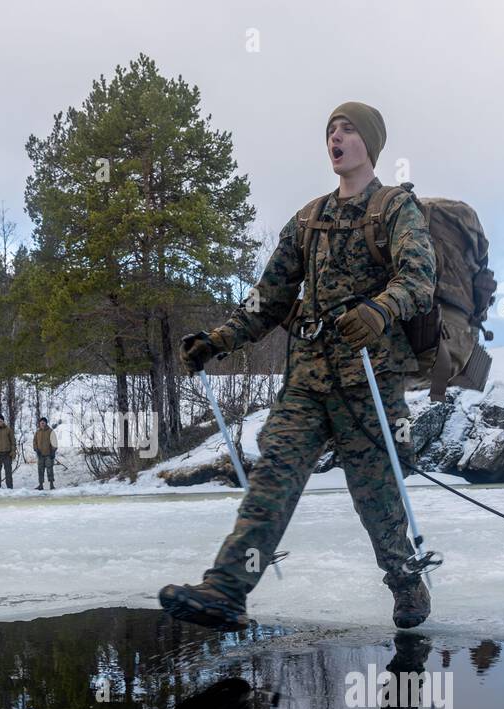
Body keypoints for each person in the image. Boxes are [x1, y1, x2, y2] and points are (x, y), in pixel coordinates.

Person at [159, 101, 436, 632]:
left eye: (348, 129)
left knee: (376, 499)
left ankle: (404, 579)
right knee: (273, 477)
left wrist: (381, 309)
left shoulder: (396, 208)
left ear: (370, 144)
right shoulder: (309, 220)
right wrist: (216, 341)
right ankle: (227, 589)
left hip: (368, 381)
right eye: (330, 130)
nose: (336, 138)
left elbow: (418, 280)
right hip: (307, 381)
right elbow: (268, 299)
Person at [33, 417, 56, 490]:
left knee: (50, 470)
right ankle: (40, 485)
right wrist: (36, 450)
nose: (42, 423)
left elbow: (54, 442)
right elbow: (34, 442)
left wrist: (53, 452)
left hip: (48, 455)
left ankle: (51, 485)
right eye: (41, 422)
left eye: (43, 422)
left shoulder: (50, 431)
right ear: (39, 423)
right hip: (40, 455)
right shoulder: (37, 432)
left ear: (46, 423)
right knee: (40, 470)